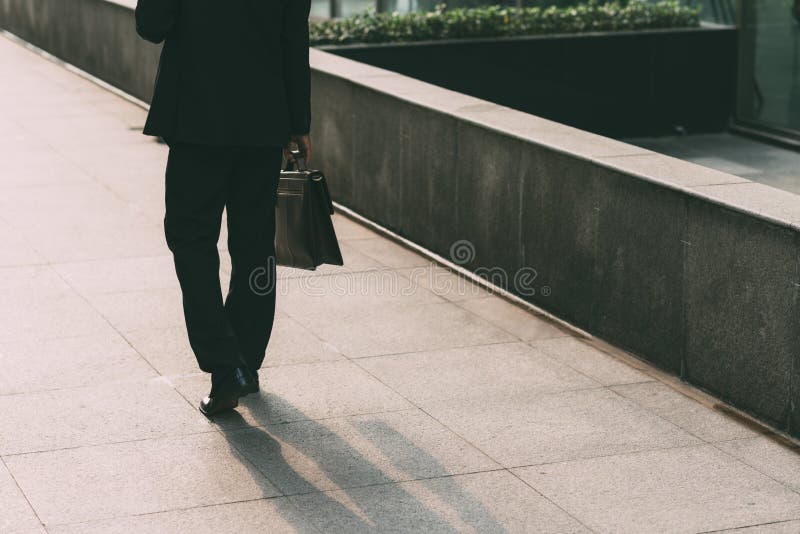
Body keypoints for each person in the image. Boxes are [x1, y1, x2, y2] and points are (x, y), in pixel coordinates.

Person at [135, 0, 312, 416]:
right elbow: (293, 39)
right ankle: (244, 361)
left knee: (191, 238)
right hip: (264, 119)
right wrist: (299, 123)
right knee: (254, 243)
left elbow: (151, 24)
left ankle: (225, 364)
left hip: (197, 118)